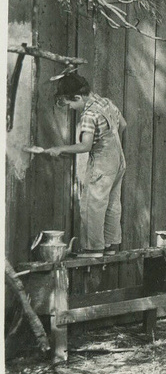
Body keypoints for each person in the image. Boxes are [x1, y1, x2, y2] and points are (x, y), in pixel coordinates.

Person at [39, 73, 126, 258]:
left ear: (78, 97)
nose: (71, 109)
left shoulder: (89, 114)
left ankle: (93, 249)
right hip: (118, 162)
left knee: (91, 205)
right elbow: (123, 125)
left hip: (102, 164)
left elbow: (85, 146)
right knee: (112, 204)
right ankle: (111, 245)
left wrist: (60, 148)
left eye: (71, 105)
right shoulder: (106, 103)